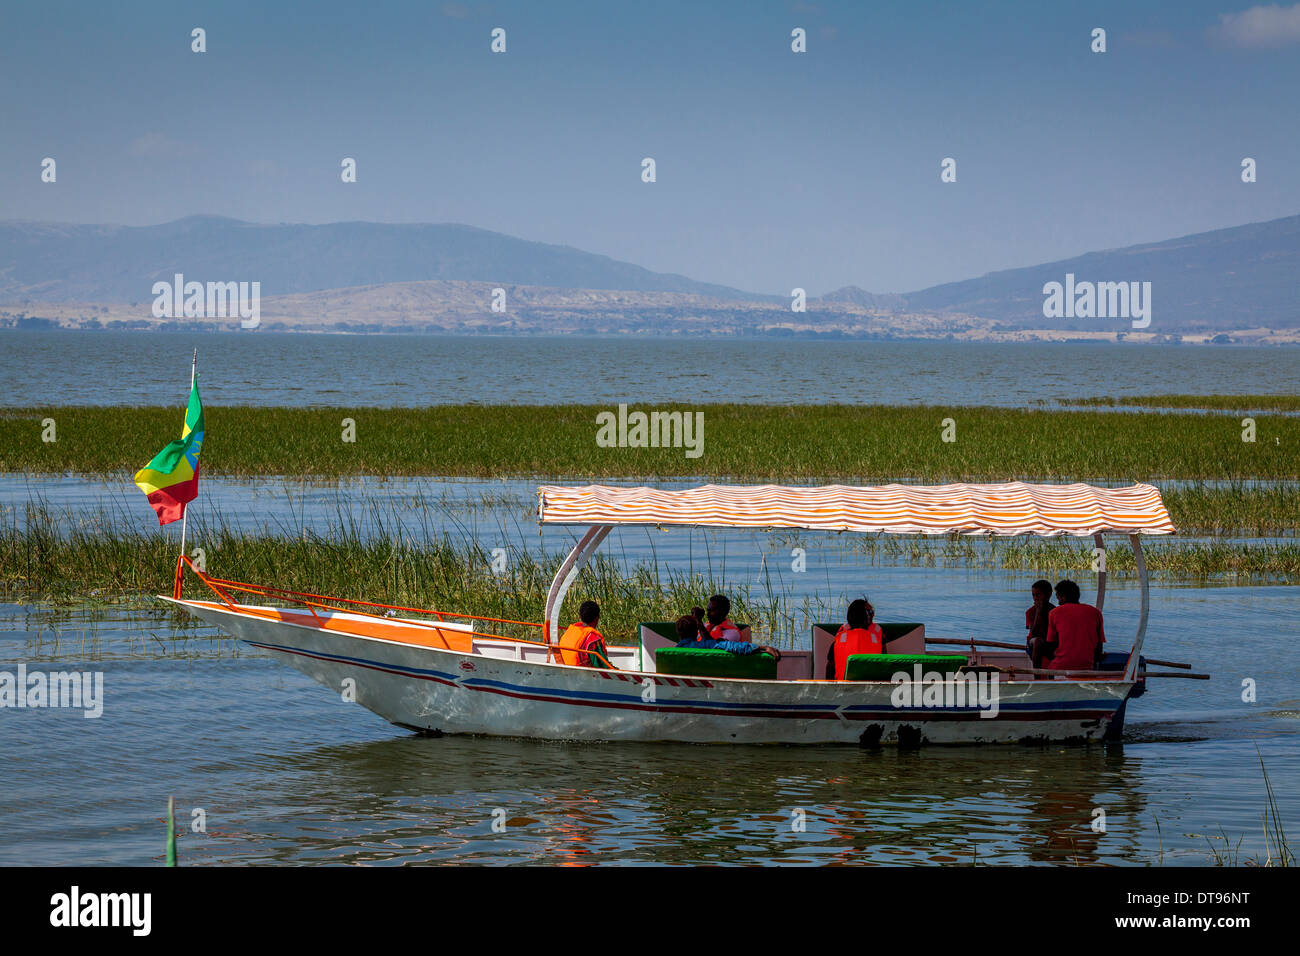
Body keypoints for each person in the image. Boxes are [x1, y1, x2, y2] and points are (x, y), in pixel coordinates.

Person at [1044, 579, 1105, 672]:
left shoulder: (1054, 613)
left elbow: (1050, 647)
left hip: (1060, 667)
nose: (1058, 603)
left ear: (1063, 597)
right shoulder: (1096, 613)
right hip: (1087, 667)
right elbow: (1099, 648)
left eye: (1058, 599)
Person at [673, 615, 781, 660]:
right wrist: (762, 648)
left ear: (677, 632)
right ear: (697, 631)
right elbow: (733, 646)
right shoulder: (707, 645)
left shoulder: (674, 652)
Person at [828, 598, 885, 680]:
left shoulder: (839, 641)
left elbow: (830, 669)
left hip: (842, 689)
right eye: (870, 612)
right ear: (866, 617)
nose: (873, 615)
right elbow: (883, 666)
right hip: (870, 690)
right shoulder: (876, 641)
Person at [557, 600, 610, 668]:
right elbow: (602, 666)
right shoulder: (592, 639)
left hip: (568, 670)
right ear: (597, 618)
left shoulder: (570, 631)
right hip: (583, 674)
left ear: (580, 616)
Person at [1025, 579, 1055, 669]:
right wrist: (1038, 612)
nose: (1035, 598)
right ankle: (1036, 676)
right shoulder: (1030, 612)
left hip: (1049, 642)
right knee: (1038, 641)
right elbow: (1034, 633)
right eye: (1033, 595)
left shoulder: (1054, 611)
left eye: (1038, 595)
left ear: (1048, 595)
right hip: (1033, 643)